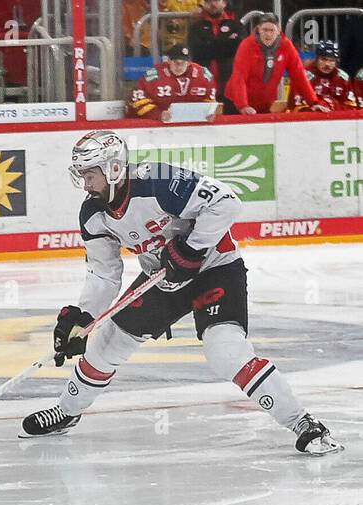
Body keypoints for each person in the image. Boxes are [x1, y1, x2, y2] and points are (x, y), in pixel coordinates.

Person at [21, 132, 342, 456]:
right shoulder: (93, 214)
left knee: (225, 352)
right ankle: (68, 410)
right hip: (161, 280)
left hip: (215, 269)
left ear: (114, 168)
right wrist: (83, 317)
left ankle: (303, 423)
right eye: (82, 176)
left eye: (90, 176)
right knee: (106, 344)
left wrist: (190, 249)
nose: (85, 184)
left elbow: (226, 202)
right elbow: (104, 273)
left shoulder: (158, 181)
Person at [227, 13, 322, 114]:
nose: (268, 35)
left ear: (278, 30)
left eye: (272, 30)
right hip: (236, 102)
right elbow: (239, 76)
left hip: (264, 102)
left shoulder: (286, 46)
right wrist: (243, 105)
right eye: (265, 30)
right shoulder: (247, 45)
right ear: (258, 29)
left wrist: (313, 102)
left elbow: (299, 75)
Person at [128, 43, 217, 121]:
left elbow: (210, 102)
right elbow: (137, 101)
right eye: (176, 62)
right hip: (156, 130)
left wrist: (209, 113)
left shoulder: (203, 76)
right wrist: (158, 114)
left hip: (192, 127)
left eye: (183, 63)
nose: (179, 66)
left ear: (189, 62)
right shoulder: (153, 76)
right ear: (169, 61)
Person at [187, 0, 242, 104]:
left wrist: (210, 44)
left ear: (224, 3)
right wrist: (225, 43)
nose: (213, 4)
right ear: (204, 5)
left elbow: (238, 49)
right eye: (209, 1)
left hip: (230, 84)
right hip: (204, 85)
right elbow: (197, 51)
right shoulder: (196, 27)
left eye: (216, 0)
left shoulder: (236, 25)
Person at [294, 39, 360, 109]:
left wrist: (332, 105)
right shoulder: (304, 77)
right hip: (310, 118)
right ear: (316, 59)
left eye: (331, 60)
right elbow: (297, 106)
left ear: (336, 61)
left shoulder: (343, 79)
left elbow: (352, 106)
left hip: (337, 118)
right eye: (323, 59)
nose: (327, 64)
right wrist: (315, 108)